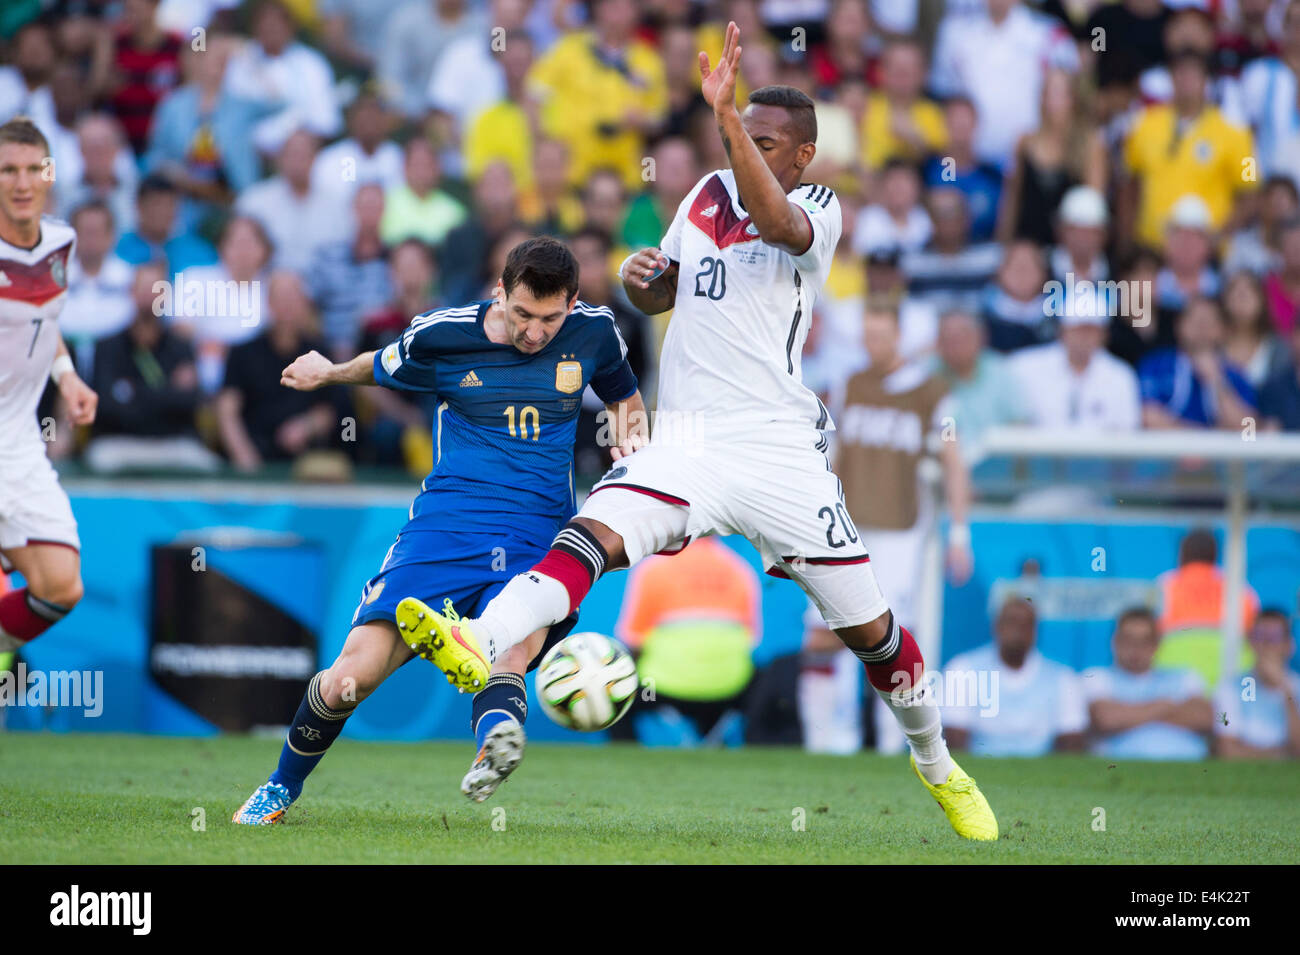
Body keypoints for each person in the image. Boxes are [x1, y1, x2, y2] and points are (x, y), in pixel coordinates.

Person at [400, 25, 999, 842]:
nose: (745, 144)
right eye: (742, 131)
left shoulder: (818, 211)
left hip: (778, 447)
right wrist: (645, 280)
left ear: (802, 156)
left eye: (764, 139)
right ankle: (480, 637)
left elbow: (776, 221)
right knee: (590, 536)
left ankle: (935, 761)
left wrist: (722, 119)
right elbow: (665, 294)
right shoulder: (703, 196)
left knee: (871, 632)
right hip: (687, 437)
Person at [232, 236, 647, 822]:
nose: (534, 332)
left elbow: (625, 397)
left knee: (511, 653)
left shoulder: (595, 332)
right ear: (499, 291)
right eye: (522, 314)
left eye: (550, 319)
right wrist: (328, 374)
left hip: (539, 538)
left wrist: (632, 452)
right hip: (444, 531)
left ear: (572, 301)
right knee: (352, 677)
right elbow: (380, 366)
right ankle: (280, 785)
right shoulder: (442, 333)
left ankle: (495, 744)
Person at [0, 117, 98, 655]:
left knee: (61, 586)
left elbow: (44, 319)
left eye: (32, 169)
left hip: (18, 445)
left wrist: (67, 376)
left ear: (49, 175)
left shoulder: (61, 243)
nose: (20, 182)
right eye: (7, 170)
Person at [613, 537, 760, 747]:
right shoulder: (739, 569)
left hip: (659, 691)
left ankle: (625, 759)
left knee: (617, 695)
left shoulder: (656, 568)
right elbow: (751, 641)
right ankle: (716, 747)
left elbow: (634, 642)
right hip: (730, 690)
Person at [941, 596, 1088, 757]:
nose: (1018, 630)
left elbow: (1072, 744)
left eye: (1025, 625)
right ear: (996, 626)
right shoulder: (962, 669)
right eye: (1011, 622)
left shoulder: (1062, 677)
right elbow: (955, 741)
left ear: (1035, 631)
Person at [1082, 607, 1213, 761]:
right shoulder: (1097, 677)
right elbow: (1107, 719)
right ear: (1115, 642)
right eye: (1128, 640)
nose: (1136, 649)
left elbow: (1204, 718)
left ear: (1157, 644)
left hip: (1187, 765)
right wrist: (1167, 705)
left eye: (1145, 641)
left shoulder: (1186, 677)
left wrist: (1130, 714)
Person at [1213, 608, 1300, 759]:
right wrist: (1281, 755)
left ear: (1289, 646)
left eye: (1274, 638)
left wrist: (1285, 690)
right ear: (1250, 642)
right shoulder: (1229, 688)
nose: (1266, 645)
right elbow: (1227, 750)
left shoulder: (1296, 687)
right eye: (1260, 636)